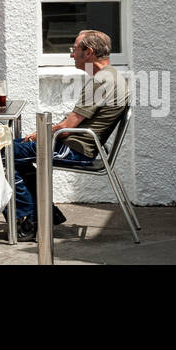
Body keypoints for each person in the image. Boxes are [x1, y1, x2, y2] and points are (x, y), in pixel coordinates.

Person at [11, 29, 129, 239]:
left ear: (89, 52)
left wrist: (39, 135)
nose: (72, 55)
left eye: (74, 49)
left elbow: (69, 126)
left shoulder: (102, 81)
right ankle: (42, 215)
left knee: (0, 155)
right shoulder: (110, 75)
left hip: (74, 149)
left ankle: (29, 218)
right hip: (80, 145)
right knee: (13, 152)